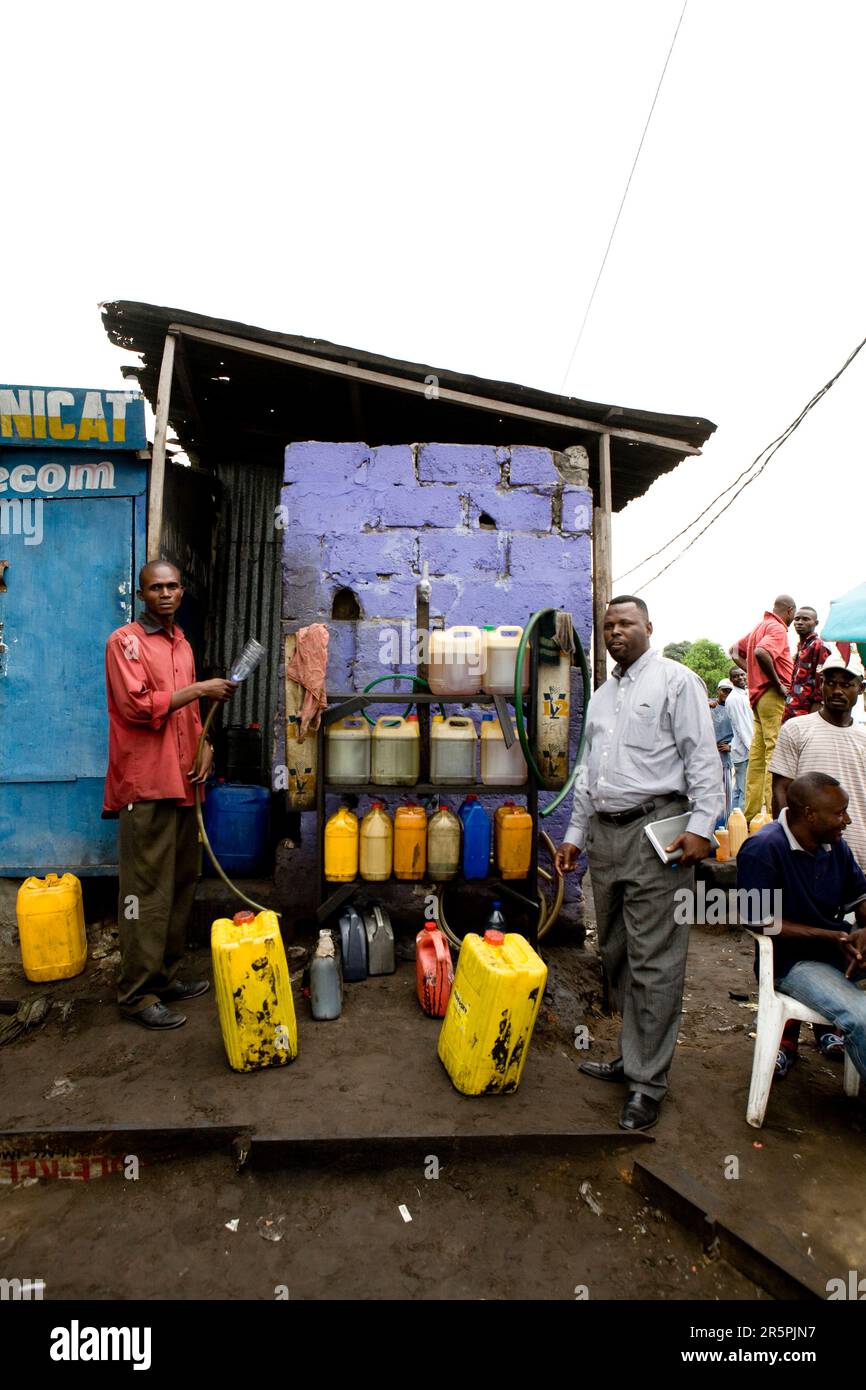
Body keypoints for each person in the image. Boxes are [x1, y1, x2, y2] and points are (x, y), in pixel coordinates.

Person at [554, 595, 721, 1132]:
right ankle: (632, 1055)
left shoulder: (677, 682)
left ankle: (647, 1084)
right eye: (608, 626)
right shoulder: (601, 699)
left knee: (656, 959)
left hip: (660, 836)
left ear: (650, 626)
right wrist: (576, 836)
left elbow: (702, 758)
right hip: (606, 837)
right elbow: (588, 774)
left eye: (626, 623)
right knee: (617, 952)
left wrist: (701, 828)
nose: (616, 632)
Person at [104, 561, 237, 1029]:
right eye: (155, 588)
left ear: (182, 591)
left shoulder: (181, 642)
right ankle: (136, 994)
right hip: (147, 783)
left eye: (172, 586)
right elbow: (137, 706)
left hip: (183, 781)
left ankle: (164, 977)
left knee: (182, 882)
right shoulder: (125, 642)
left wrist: (207, 747)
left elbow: (190, 714)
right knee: (145, 892)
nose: (165, 594)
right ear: (142, 595)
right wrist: (199, 687)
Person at [737, 772, 866, 1090]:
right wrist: (830, 936)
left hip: (838, 952)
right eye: (839, 813)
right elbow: (757, 920)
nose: (846, 820)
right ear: (810, 815)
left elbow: (861, 898)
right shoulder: (763, 848)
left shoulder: (835, 846)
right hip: (793, 963)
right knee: (861, 1018)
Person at [769, 653, 866, 1072]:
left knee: (851, 945)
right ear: (821, 686)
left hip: (854, 858)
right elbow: (781, 792)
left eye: (848, 683)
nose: (838, 690)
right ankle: (785, 1042)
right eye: (832, 682)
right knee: (795, 948)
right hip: (805, 860)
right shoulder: (798, 729)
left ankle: (832, 1030)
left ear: (860, 690)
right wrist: (791, 846)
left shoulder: (864, 737)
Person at [730, 595, 796, 823]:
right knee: (773, 753)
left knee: (757, 757)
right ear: (789, 611)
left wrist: (753, 674)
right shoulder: (777, 628)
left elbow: (734, 651)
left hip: (758, 697)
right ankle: (770, 815)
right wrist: (778, 684)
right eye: (794, 615)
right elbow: (761, 652)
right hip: (771, 694)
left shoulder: (760, 625)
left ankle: (749, 817)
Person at [782, 607, 830, 723]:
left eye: (805, 619)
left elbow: (822, 683)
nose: (799, 622)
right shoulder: (801, 647)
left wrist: (814, 716)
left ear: (816, 623)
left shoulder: (819, 645)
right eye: (797, 619)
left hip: (807, 713)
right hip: (793, 709)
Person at [725, 672, 754, 813]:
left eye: (743, 675)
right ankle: (742, 828)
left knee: (738, 790)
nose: (741, 678)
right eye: (736, 676)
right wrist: (753, 749)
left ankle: (732, 823)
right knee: (745, 791)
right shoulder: (734, 699)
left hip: (746, 749)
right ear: (731, 680)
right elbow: (741, 726)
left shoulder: (745, 694)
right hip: (745, 751)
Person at [711, 680, 734, 819]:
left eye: (729, 691)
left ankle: (724, 824)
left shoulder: (734, 707)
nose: (726, 693)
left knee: (725, 794)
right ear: (718, 690)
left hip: (725, 757)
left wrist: (731, 746)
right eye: (724, 690)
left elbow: (744, 731)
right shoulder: (709, 705)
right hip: (708, 757)